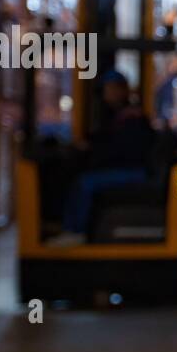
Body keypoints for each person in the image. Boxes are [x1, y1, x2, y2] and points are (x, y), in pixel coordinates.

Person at [46, 70, 157, 247]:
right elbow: (107, 140)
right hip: (128, 168)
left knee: (85, 183)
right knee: (79, 179)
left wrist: (94, 151)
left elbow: (123, 151)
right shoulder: (117, 116)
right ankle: (70, 228)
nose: (107, 94)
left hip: (135, 171)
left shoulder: (132, 117)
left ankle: (76, 231)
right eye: (106, 89)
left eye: (111, 89)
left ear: (121, 91)